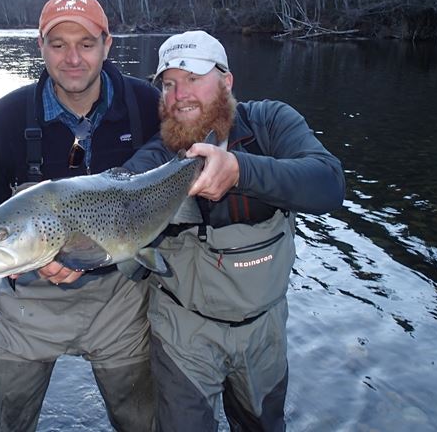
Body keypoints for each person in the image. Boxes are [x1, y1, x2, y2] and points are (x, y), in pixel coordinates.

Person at [0, 0, 160, 431]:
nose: (72, 58)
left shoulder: (146, 105)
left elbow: (183, 172)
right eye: (58, 44)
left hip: (121, 300)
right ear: (40, 47)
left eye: (85, 43)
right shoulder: (5, 119)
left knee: (146, 423)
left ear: (107, 44)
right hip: (28, 307)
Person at [122, 30, 346, 431]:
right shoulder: (158, 155)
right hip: (183, 331)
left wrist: (242, 171)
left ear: (227, 82)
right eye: (169, 84)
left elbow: (328, 184)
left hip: (264, 332)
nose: (179, 96)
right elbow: (119, 193)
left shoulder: (271, 123)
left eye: (193, 79)